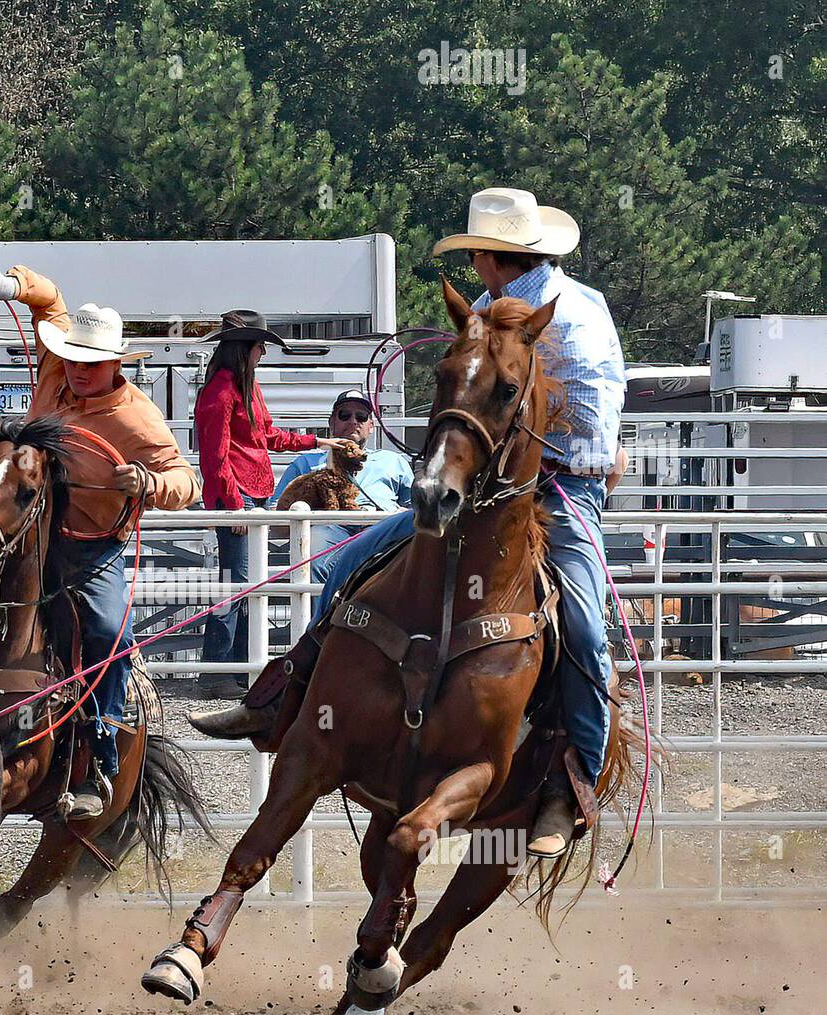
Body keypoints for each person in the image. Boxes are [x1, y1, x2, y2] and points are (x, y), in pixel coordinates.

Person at [193, 187, 627, 861]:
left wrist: (533, 462)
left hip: (558, 492)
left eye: (475, 252)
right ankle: (283, 694)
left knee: (584, 628)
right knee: (352, 559)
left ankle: (571, 788)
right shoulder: (483, 312)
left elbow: (598, 444)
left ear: (487, 255)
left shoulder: (574, 318)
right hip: (477, 489)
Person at [0, 260, 199, 818]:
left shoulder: (138, 421)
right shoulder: (56, 368)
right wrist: (11, 287)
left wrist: (149, 482)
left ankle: (100, 752)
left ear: (116, 363)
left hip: (87, 550)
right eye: (73, 357)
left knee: (107, 635)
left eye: (91, 362)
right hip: (17, 536)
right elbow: (48, 301)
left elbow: (186, 482)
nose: (77, 369)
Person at [195, 310, 341, 697]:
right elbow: (214, 456)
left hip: (252, 495)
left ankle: (238, 668)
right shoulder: (223, 390)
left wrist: (317, 442)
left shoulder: (243, 387)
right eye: (260, 346)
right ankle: (218, 669)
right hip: (240, 498)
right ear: (247, 349)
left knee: (247, 582)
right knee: (237, 581)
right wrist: (234, 504)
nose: (263, 352)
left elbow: (268, 436)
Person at [269, 389, 414, 581]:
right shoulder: (306, 463)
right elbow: (277, 520)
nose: (353, 421)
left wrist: (399, 514)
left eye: (361, 416)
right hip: (328, 527)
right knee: (313, 554)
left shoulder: (393, 461)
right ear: (332, 422)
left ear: (371, 426)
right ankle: (321, 611)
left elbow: (415, 509)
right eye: (344, 415)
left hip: (379, 525)